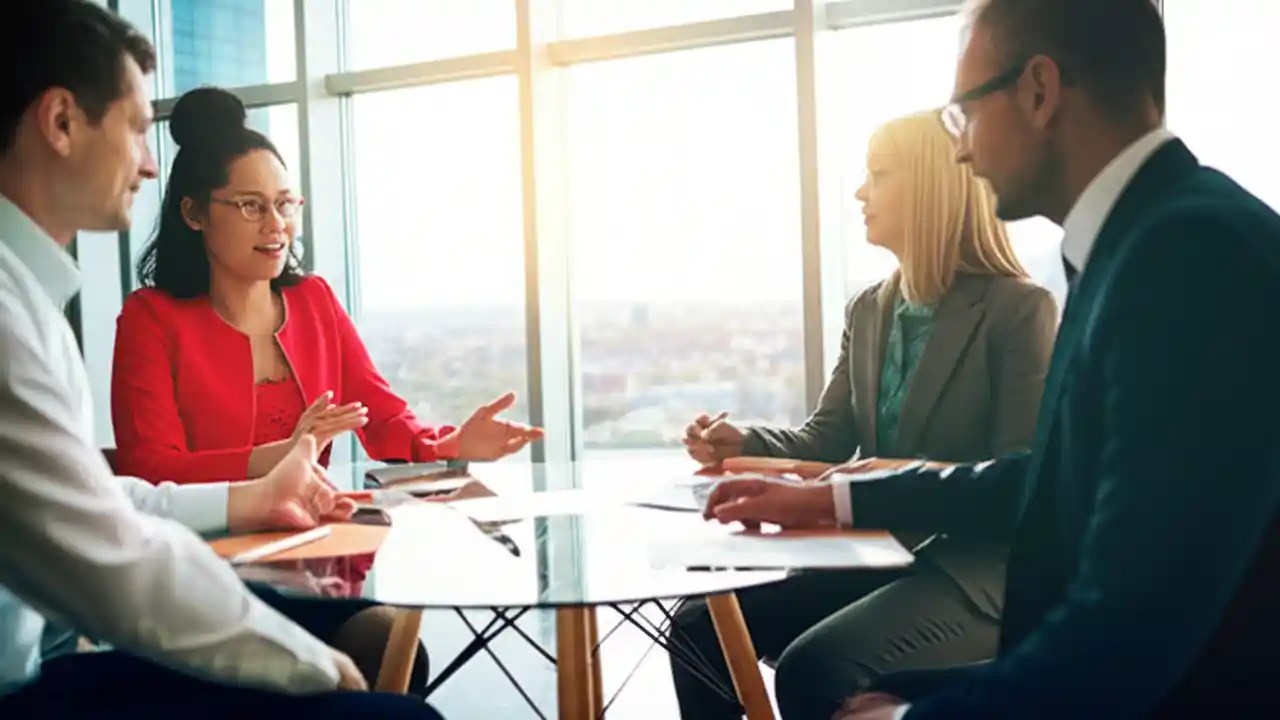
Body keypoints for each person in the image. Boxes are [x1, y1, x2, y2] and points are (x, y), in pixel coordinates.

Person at [703, 0, 1280, 718]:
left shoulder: (1190, 256)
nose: (963, 149)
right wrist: (831, 497)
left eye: (964, 112)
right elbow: (1046, 480)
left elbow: (1139, 622)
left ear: (1039, 92)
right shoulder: (1140, 245)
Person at [0, 2, 445, 716]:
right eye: (138, 130)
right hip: (37, 677)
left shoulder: (31, 300)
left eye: (285, 204)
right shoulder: (22, 317)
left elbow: (100, 503)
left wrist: (260, 493)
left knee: (390, 657)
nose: (149, 163)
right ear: (60, 123)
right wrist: (306, 663)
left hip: (76, 647)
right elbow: (112, 557)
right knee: (389, 707)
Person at [673, 109, 1056, 719]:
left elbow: (1023, 476)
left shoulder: (1019, 310)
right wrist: (740, 439)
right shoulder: (870, 310)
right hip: (882, 550)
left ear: (933, 189)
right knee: (699, 627)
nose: (859, 192)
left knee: (815, 670)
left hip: (974, 570)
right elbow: (827, 437)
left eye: (878, 174)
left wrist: (888, 473)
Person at [110, 85, 542, 485]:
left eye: (284, 204)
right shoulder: (150, 318)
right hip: (199, 551)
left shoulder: (314, 301)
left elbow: (382, 416)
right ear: (194, 213)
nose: (276, 225)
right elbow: (150, 469)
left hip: (313, 538)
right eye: (250, 206)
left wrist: (451, 444)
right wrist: (288, 454)